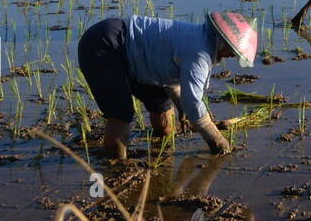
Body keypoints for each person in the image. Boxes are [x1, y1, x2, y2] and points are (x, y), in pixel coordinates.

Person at [77, 11, 258, 159]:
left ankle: (161, 151)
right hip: (105, 44)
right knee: (121, 113)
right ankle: (115, 164)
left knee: (162, 105)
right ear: (222, 41)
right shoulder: (200, 53)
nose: (232, 56)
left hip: (136, 58)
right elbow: (194, 102)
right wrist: (218, 142)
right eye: (233, 51)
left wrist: (183, 109)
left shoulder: (200, 39)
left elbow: (171, 78)